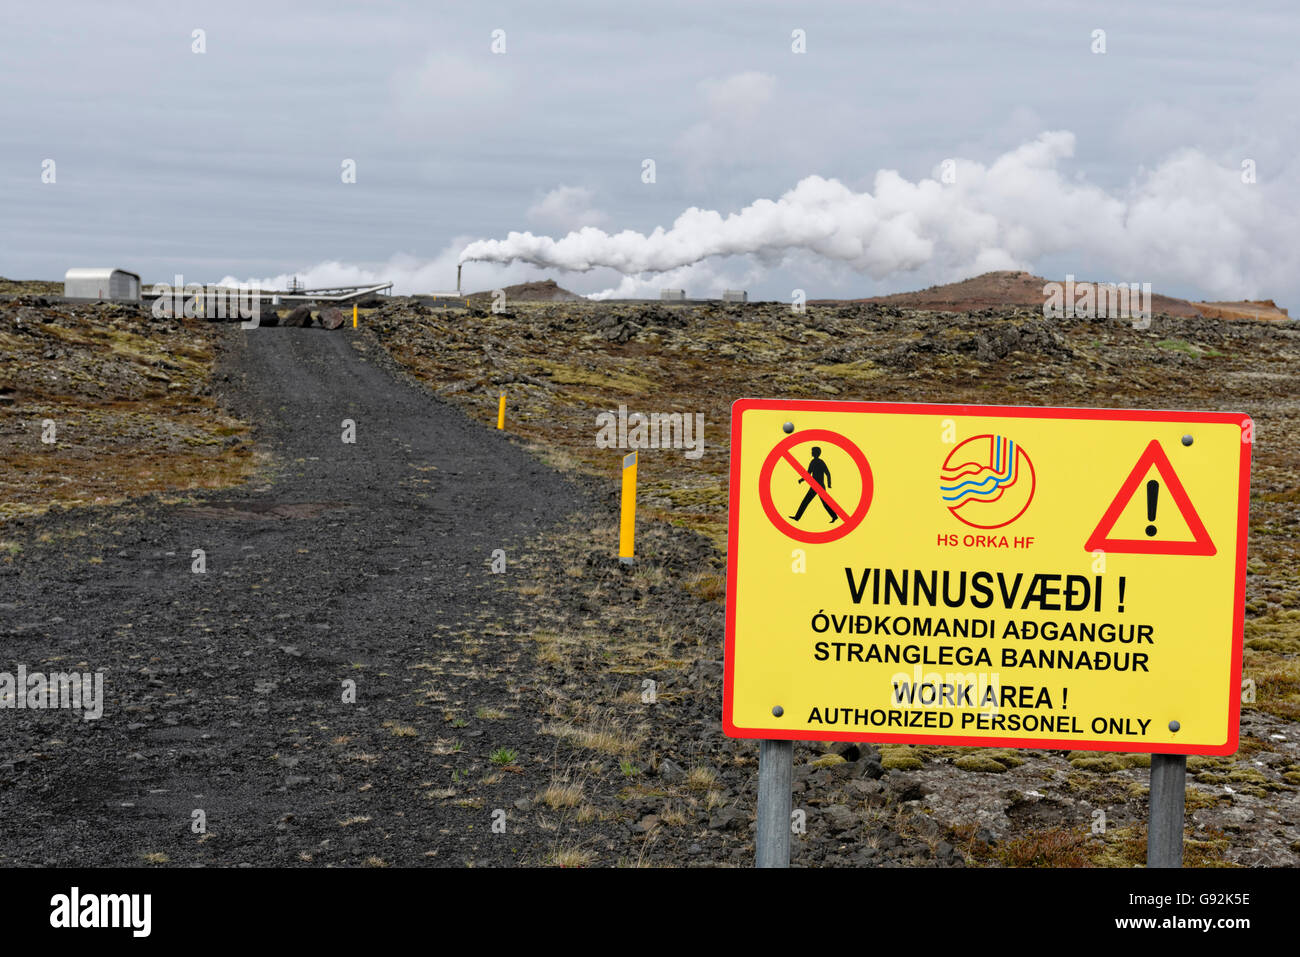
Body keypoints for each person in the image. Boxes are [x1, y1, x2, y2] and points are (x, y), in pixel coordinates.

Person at [789, 446, 838, 522]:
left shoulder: (816, 462)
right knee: (809, 501)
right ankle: (797, 517)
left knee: (807, 501)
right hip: (816, 485)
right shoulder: (819, 462)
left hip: (818, 486)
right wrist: (828, 484)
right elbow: (810, 474)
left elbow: (810, 474)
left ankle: (797, 517)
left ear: (816, 453)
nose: (811, 453)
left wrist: (829, 484)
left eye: (812, 451)